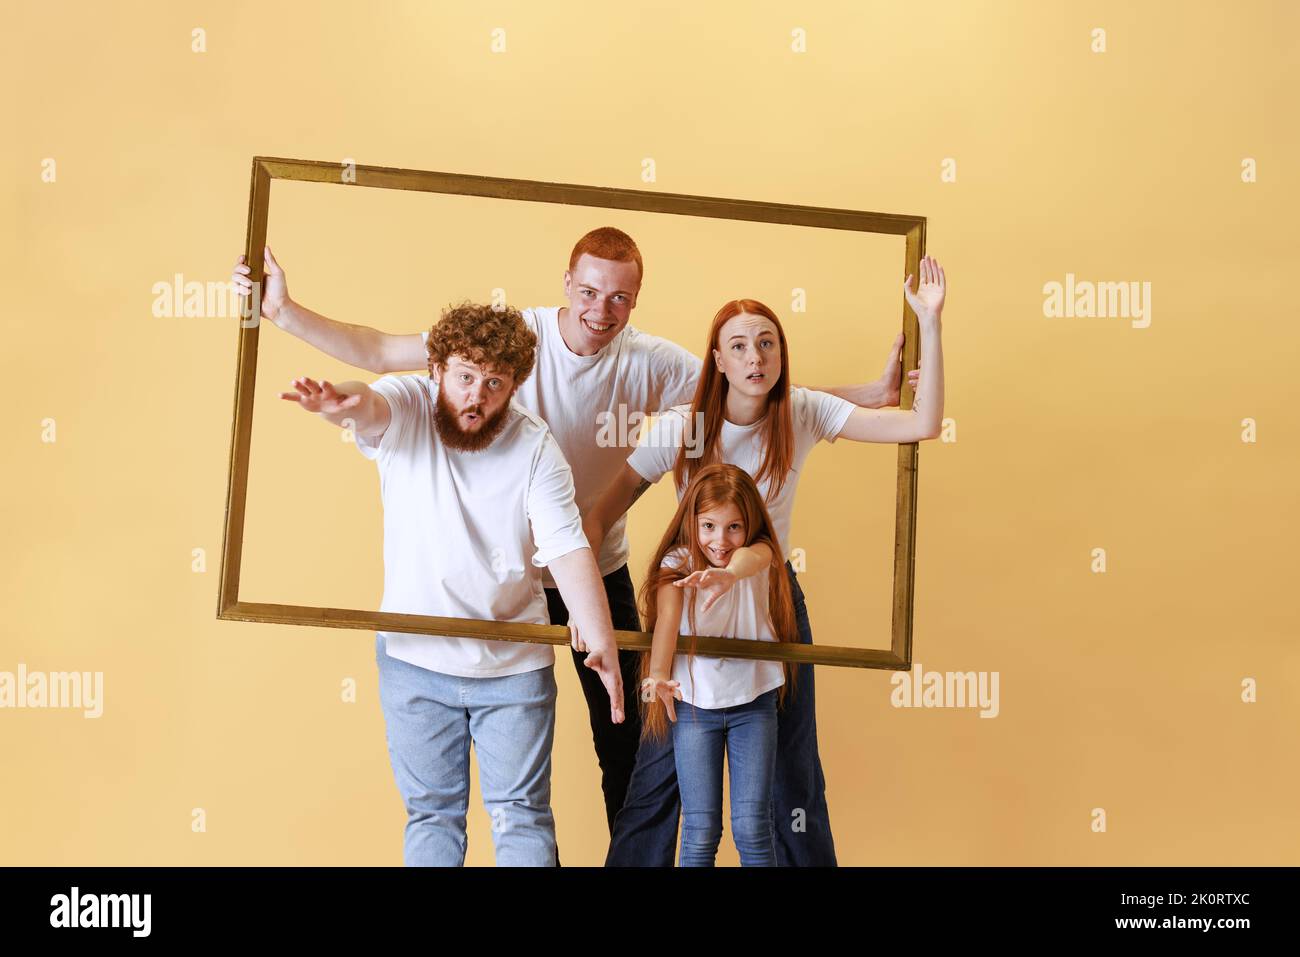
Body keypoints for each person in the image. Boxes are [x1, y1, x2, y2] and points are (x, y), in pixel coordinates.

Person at [231, 228, 910, 847]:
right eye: (588, 291)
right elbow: (381, 352)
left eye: (619, 298)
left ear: (635, 300)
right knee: (485, 782)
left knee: (635, 738)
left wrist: (867, 398)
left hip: (593, 565)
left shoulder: (652, 362)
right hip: (510, 578)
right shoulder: (513, 339)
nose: (600, 309)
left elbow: (750, 384)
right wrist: (282, 312)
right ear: (566, 283)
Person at [586, 254, 948, 866]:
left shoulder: (800, 413)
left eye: (767, 344)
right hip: (690, 606)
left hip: (772, 604)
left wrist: (931, 324)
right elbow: (600, 514)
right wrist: (586, 602)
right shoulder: (683, 428)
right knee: (657, 770)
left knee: (793, 771)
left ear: (780, 354)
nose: (755, 358)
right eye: (739, 346)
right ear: (718, 360)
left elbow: (923, 422)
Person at [278, 301, 624, 866]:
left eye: (494, 382)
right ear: (436, 369)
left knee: (522, 816)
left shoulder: (536, 447)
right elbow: (369, 404)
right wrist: (341, 401)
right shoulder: (410, 403)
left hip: (512, 668)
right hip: (415, 663)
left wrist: (601, 637)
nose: (476, 396)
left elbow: (565, 545)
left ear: (514, 385)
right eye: (465, 377)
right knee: (433, 817)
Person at [638, 463, 800, 866]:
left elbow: (751, 557)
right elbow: (667, 625)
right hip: (695, 706)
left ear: (749, 527)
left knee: (752, 827)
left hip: (754, 703)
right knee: (700, 829)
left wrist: (728, 576)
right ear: (691, 521)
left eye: (733, 527)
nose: (720, 540)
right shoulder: (677, 563)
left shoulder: (756, 554)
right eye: (708, 526)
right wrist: (658, 675)